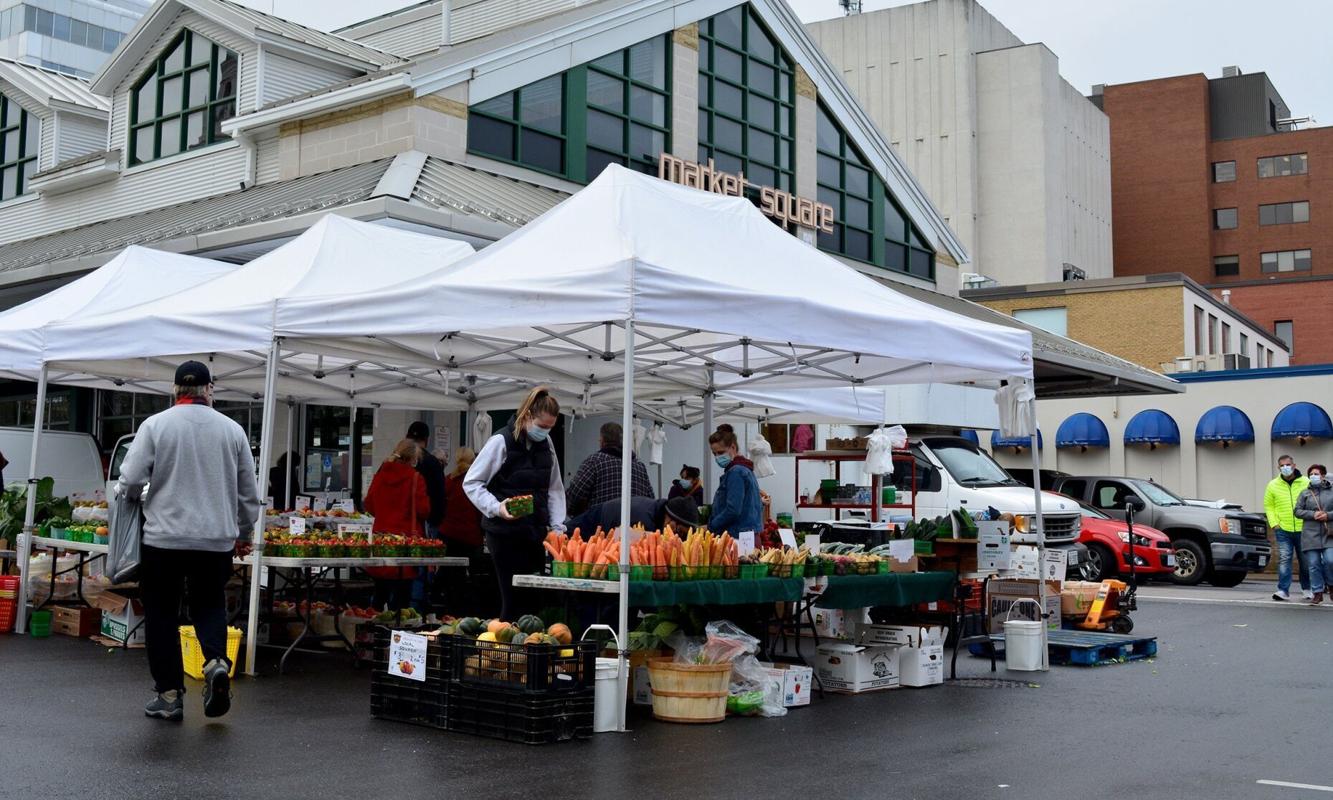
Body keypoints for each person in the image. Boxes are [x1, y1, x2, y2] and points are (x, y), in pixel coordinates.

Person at [117, 360, 260, 722]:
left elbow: (131, 479)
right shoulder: (233, 431)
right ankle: (214, 661)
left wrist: (134, 498)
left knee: (162, 613)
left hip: (163, 538)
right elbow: (248, 494)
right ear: (209, 390)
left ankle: (168, 695)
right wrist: (242, 533)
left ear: (176, 390)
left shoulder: (155, 425)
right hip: (214, 540)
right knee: (209, 604)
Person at [464, 386, 566, 621]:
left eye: (550, 427)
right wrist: (497, 507)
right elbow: (472, 483)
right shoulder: (501, 440)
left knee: (534, 598)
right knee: (512, 598)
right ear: (528, 416)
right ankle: (509, 647)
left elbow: (555, 488)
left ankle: (531, 647)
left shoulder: (547, 445)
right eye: (542, 426)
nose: (546, 431)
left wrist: (558, 527)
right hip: (503, 533)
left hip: (536, 532)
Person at [363, 439, 430, 610]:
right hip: (404, 543)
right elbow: (424, 510)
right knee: (401, 600)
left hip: (380, 540)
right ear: (412, 458)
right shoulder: (415, 478)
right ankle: (397, 634)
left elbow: (369, 505)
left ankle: (374, 631)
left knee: (379, 594)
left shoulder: (381, 475)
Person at [565, 422, 654, 515]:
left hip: (602, 525)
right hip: (635, 525)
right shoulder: (639, 467)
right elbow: (650, 500)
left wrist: (573, 513)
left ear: (602, 440)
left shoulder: (594, 462)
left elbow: (575, 493)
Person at [437, 447, 484, 614]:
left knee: (450, 576)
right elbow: (480, 510)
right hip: (470, 537)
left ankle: (449, 611)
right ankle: (468, 612)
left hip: (448, 534)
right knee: (470, 579)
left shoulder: (447, 480)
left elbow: (439, 507)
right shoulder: (475, 482)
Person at [1265, 454, 1311, 601]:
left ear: (1294, 465)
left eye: (1288, 465)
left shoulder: (1306, 482)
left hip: (1304, 528)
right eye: (1282, 465)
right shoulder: (1273, 484)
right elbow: (1269, 505)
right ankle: (1283, 590)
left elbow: (1313, 502)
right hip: (1283, 529)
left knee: (1305, 561)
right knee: (1284, 559)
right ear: (1278, 468)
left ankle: (1307, 588)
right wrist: (1274, 524)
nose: (1285, 468)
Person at [706, 424, 763, 535]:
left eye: (721, 452)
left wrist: (711, 526)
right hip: (748, 533)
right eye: (714, 454)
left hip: (738, 536)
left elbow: (732, 510)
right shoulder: (746, 470)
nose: (717, 457)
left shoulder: (736, 472)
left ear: (733, 447)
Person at [567, 495, 700, 537]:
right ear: (670, 517)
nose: (677, 536)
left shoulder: (655, 512)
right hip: (590, 526)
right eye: (678, 531)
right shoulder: (643, 521)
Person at [1294, 464, 1333, 606]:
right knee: (1313, 564)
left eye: (1316, 474)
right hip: (1310, 534)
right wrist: (1313, 514)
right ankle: (1317, 593)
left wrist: (1327, 515)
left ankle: (1331, 585)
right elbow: (1297, 511)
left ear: (1323, 476)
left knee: (1330, 561)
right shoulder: (1305, 493)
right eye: (1311, 474)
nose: (1313, 476)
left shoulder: (1331, 491)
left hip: (1328, 533)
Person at [405, 422, 447, 535]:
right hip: (425, 523)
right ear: (426, 439)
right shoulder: (432, 462)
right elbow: (440, 495)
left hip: (395, 522)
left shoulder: (393, 462)